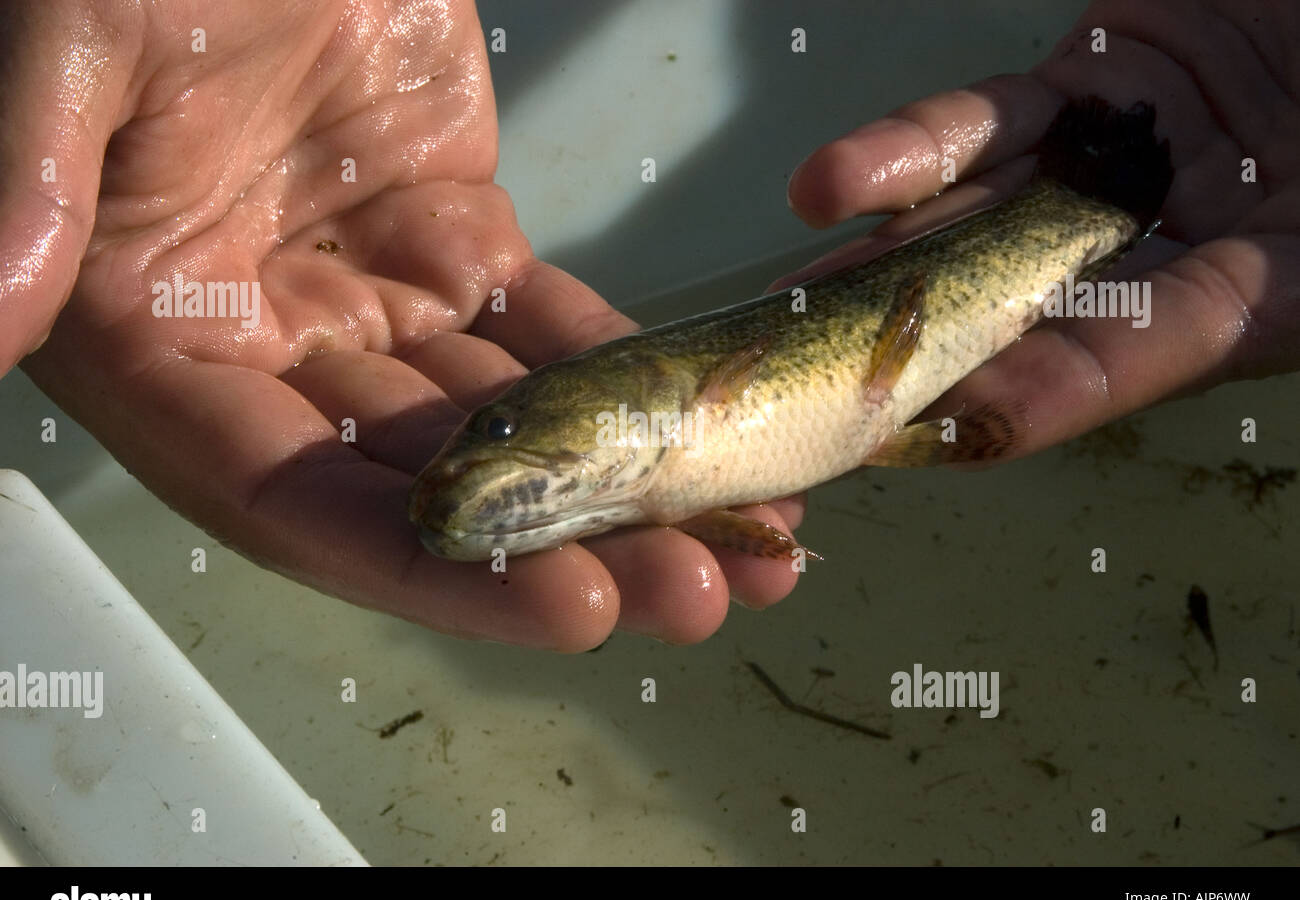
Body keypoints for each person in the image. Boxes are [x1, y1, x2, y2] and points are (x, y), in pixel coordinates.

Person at [0, 1, 1294, 650]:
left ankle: (1097, 204)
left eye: (502, 423)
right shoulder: (653, 456)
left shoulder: (686, 411)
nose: (489, 444)